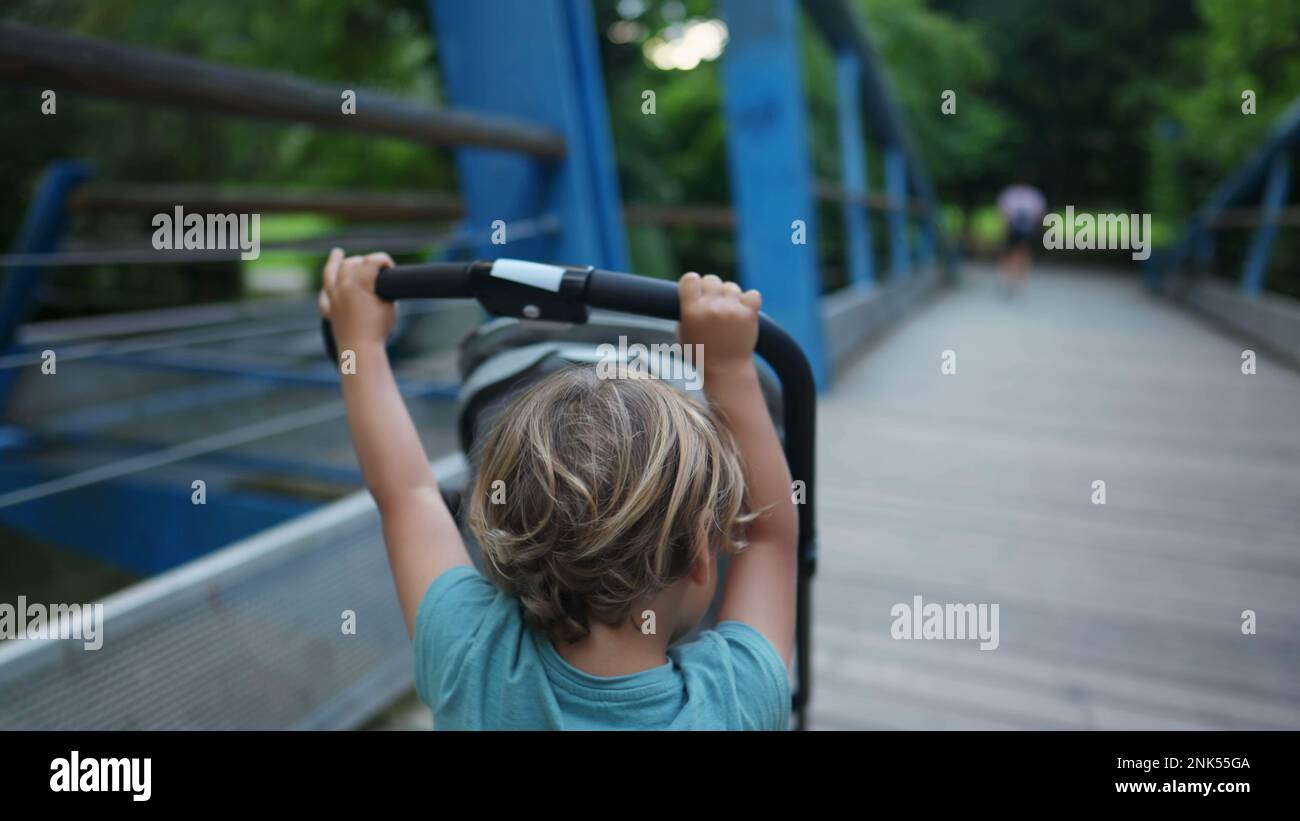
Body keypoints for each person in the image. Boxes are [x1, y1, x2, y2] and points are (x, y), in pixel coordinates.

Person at [318, 249, 795, 729]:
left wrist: (358, 342)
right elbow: (770, 539)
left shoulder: (471, 656)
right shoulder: (737, 702)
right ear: (700, 558)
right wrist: (730, 366)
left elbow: (407, 495)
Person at [996, 178, 1047, 295]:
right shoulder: (1030, 194)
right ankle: (1011, 281)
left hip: (1023, 230)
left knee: (1021, 254)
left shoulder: (1015, 193)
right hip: (1015, 229)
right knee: (1014, 254)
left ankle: (1015, 282)